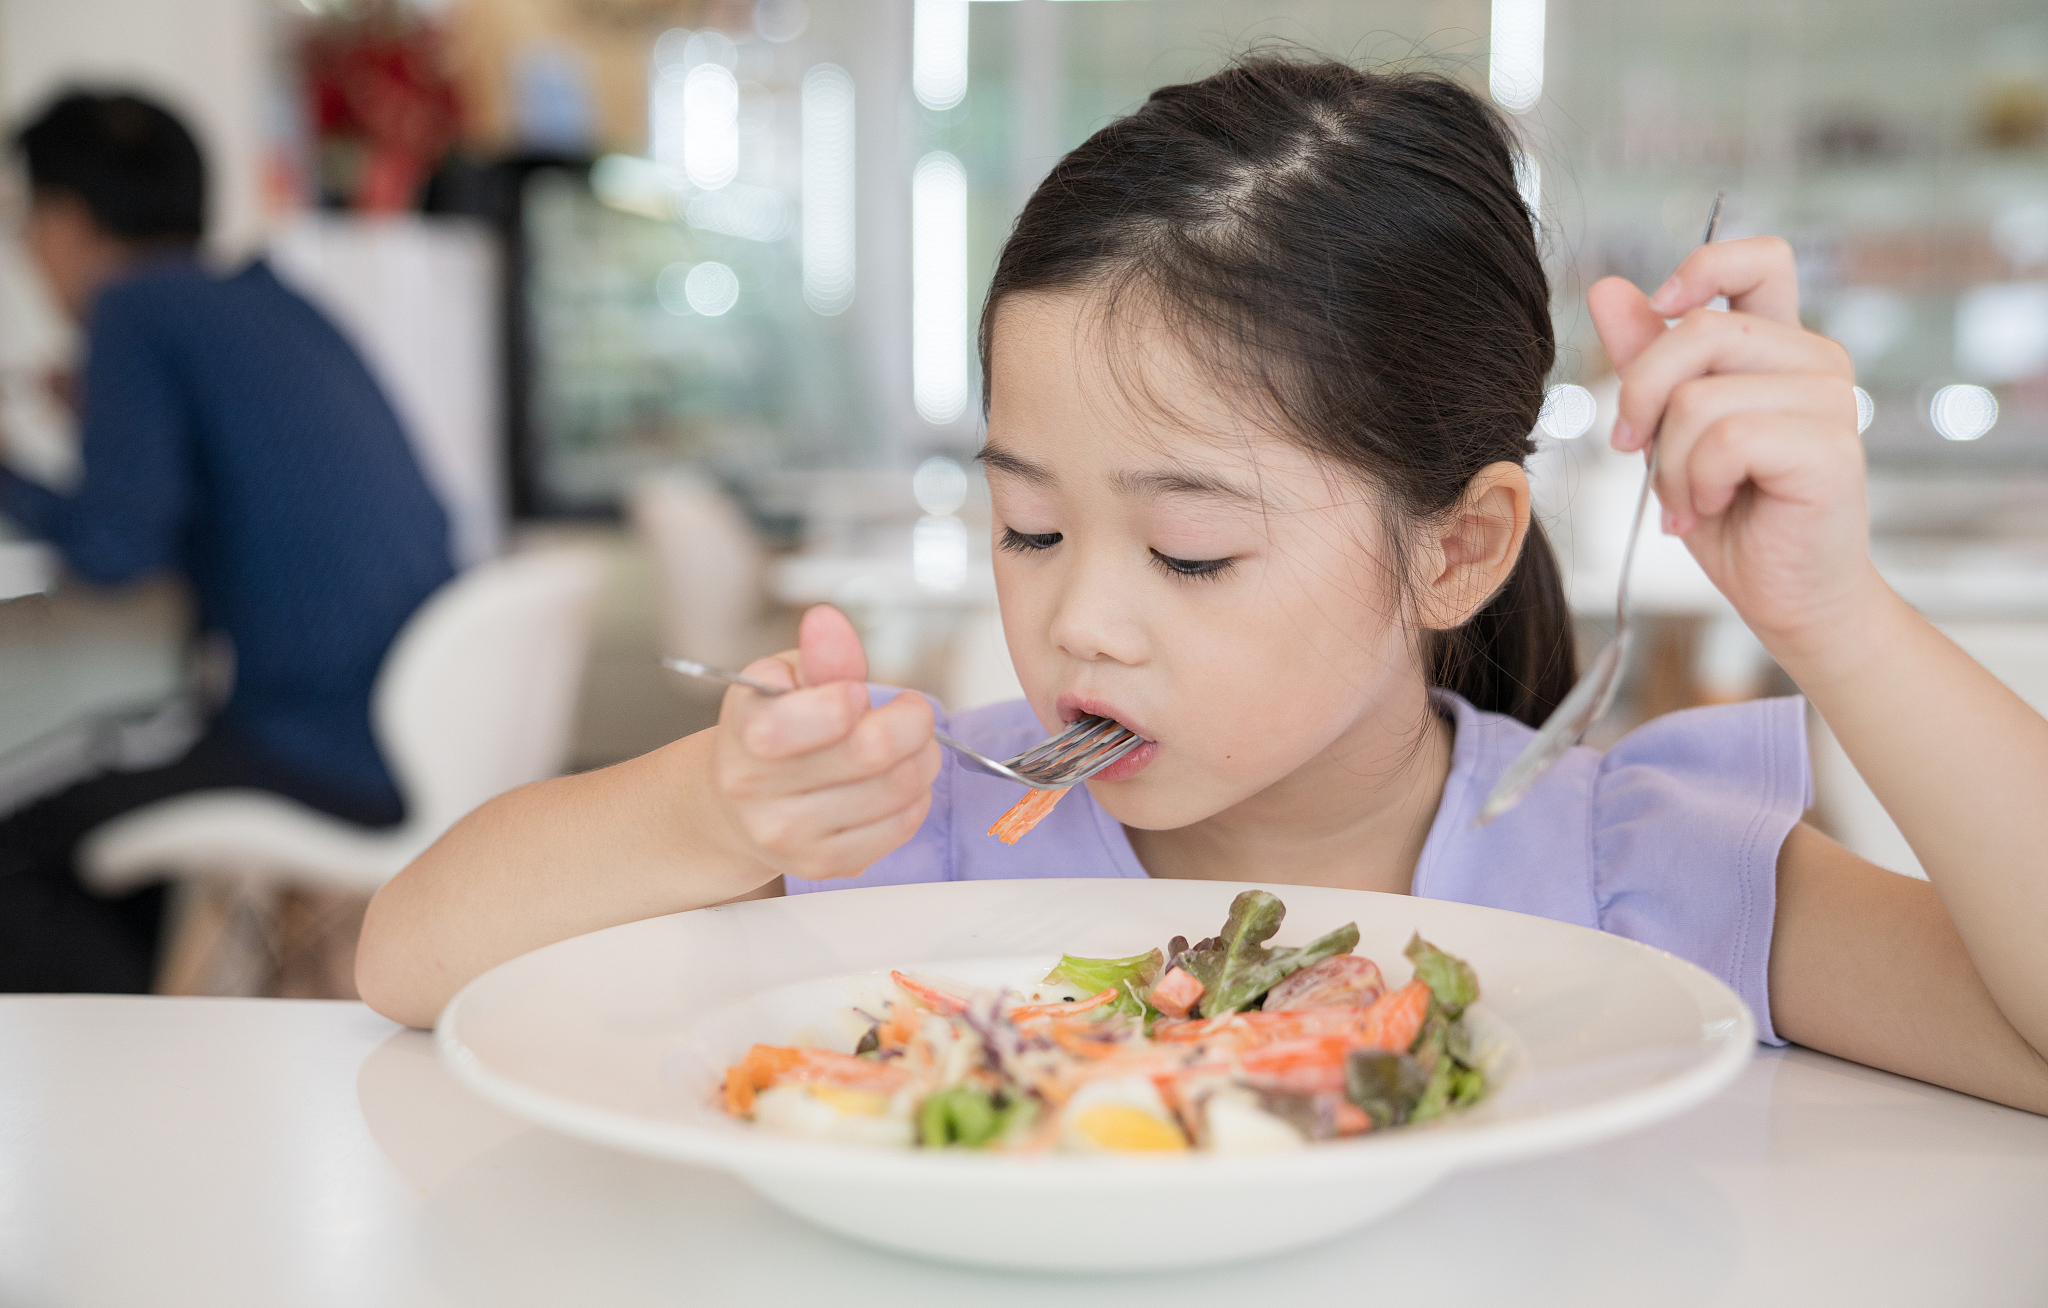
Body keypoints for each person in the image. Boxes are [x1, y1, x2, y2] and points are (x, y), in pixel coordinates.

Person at [357, 58, 2048, 1114]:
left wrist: (1835, 614)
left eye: (1188, 551)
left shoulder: (1622, 868)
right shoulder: (927, 834)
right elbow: (406, 958)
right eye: (1026, 528)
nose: (1080, 617)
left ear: (1454, 543)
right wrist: (721, 809)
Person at [0, 92, 455, 991]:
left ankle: (112, 1088)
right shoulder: (270, 298)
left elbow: (111, 551)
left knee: (22, 845)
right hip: (405, 717)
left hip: (318, 740)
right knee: (100, 804)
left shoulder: (129, 311)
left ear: (64, 220)